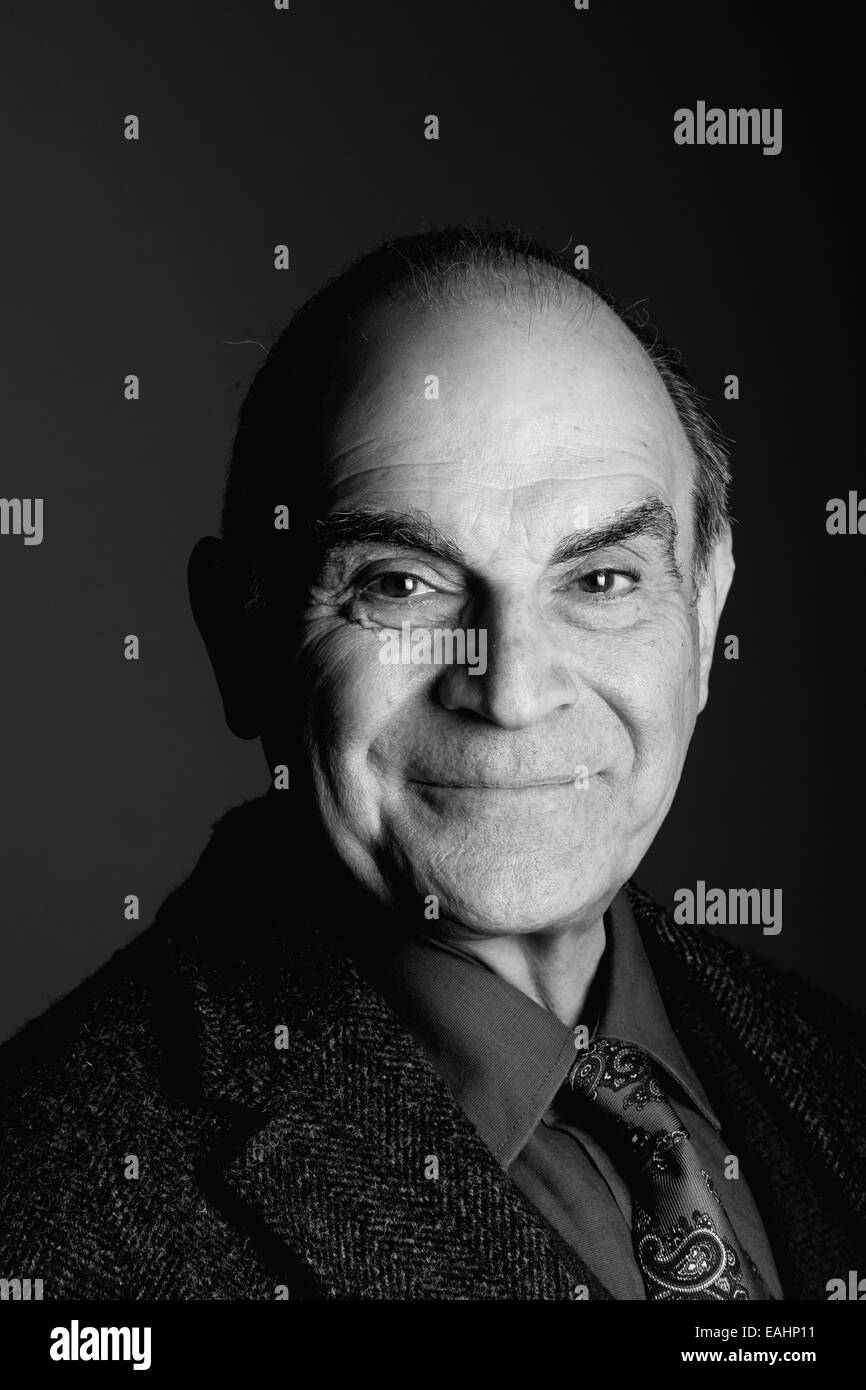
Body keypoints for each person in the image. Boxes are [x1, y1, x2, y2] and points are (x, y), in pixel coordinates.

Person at [1, 227, 863, 1301]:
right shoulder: (50, 1220)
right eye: (402, 585)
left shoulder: (830, 1065)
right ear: (240, 638)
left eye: (599, 580)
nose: (509, 691)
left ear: (704, 610)